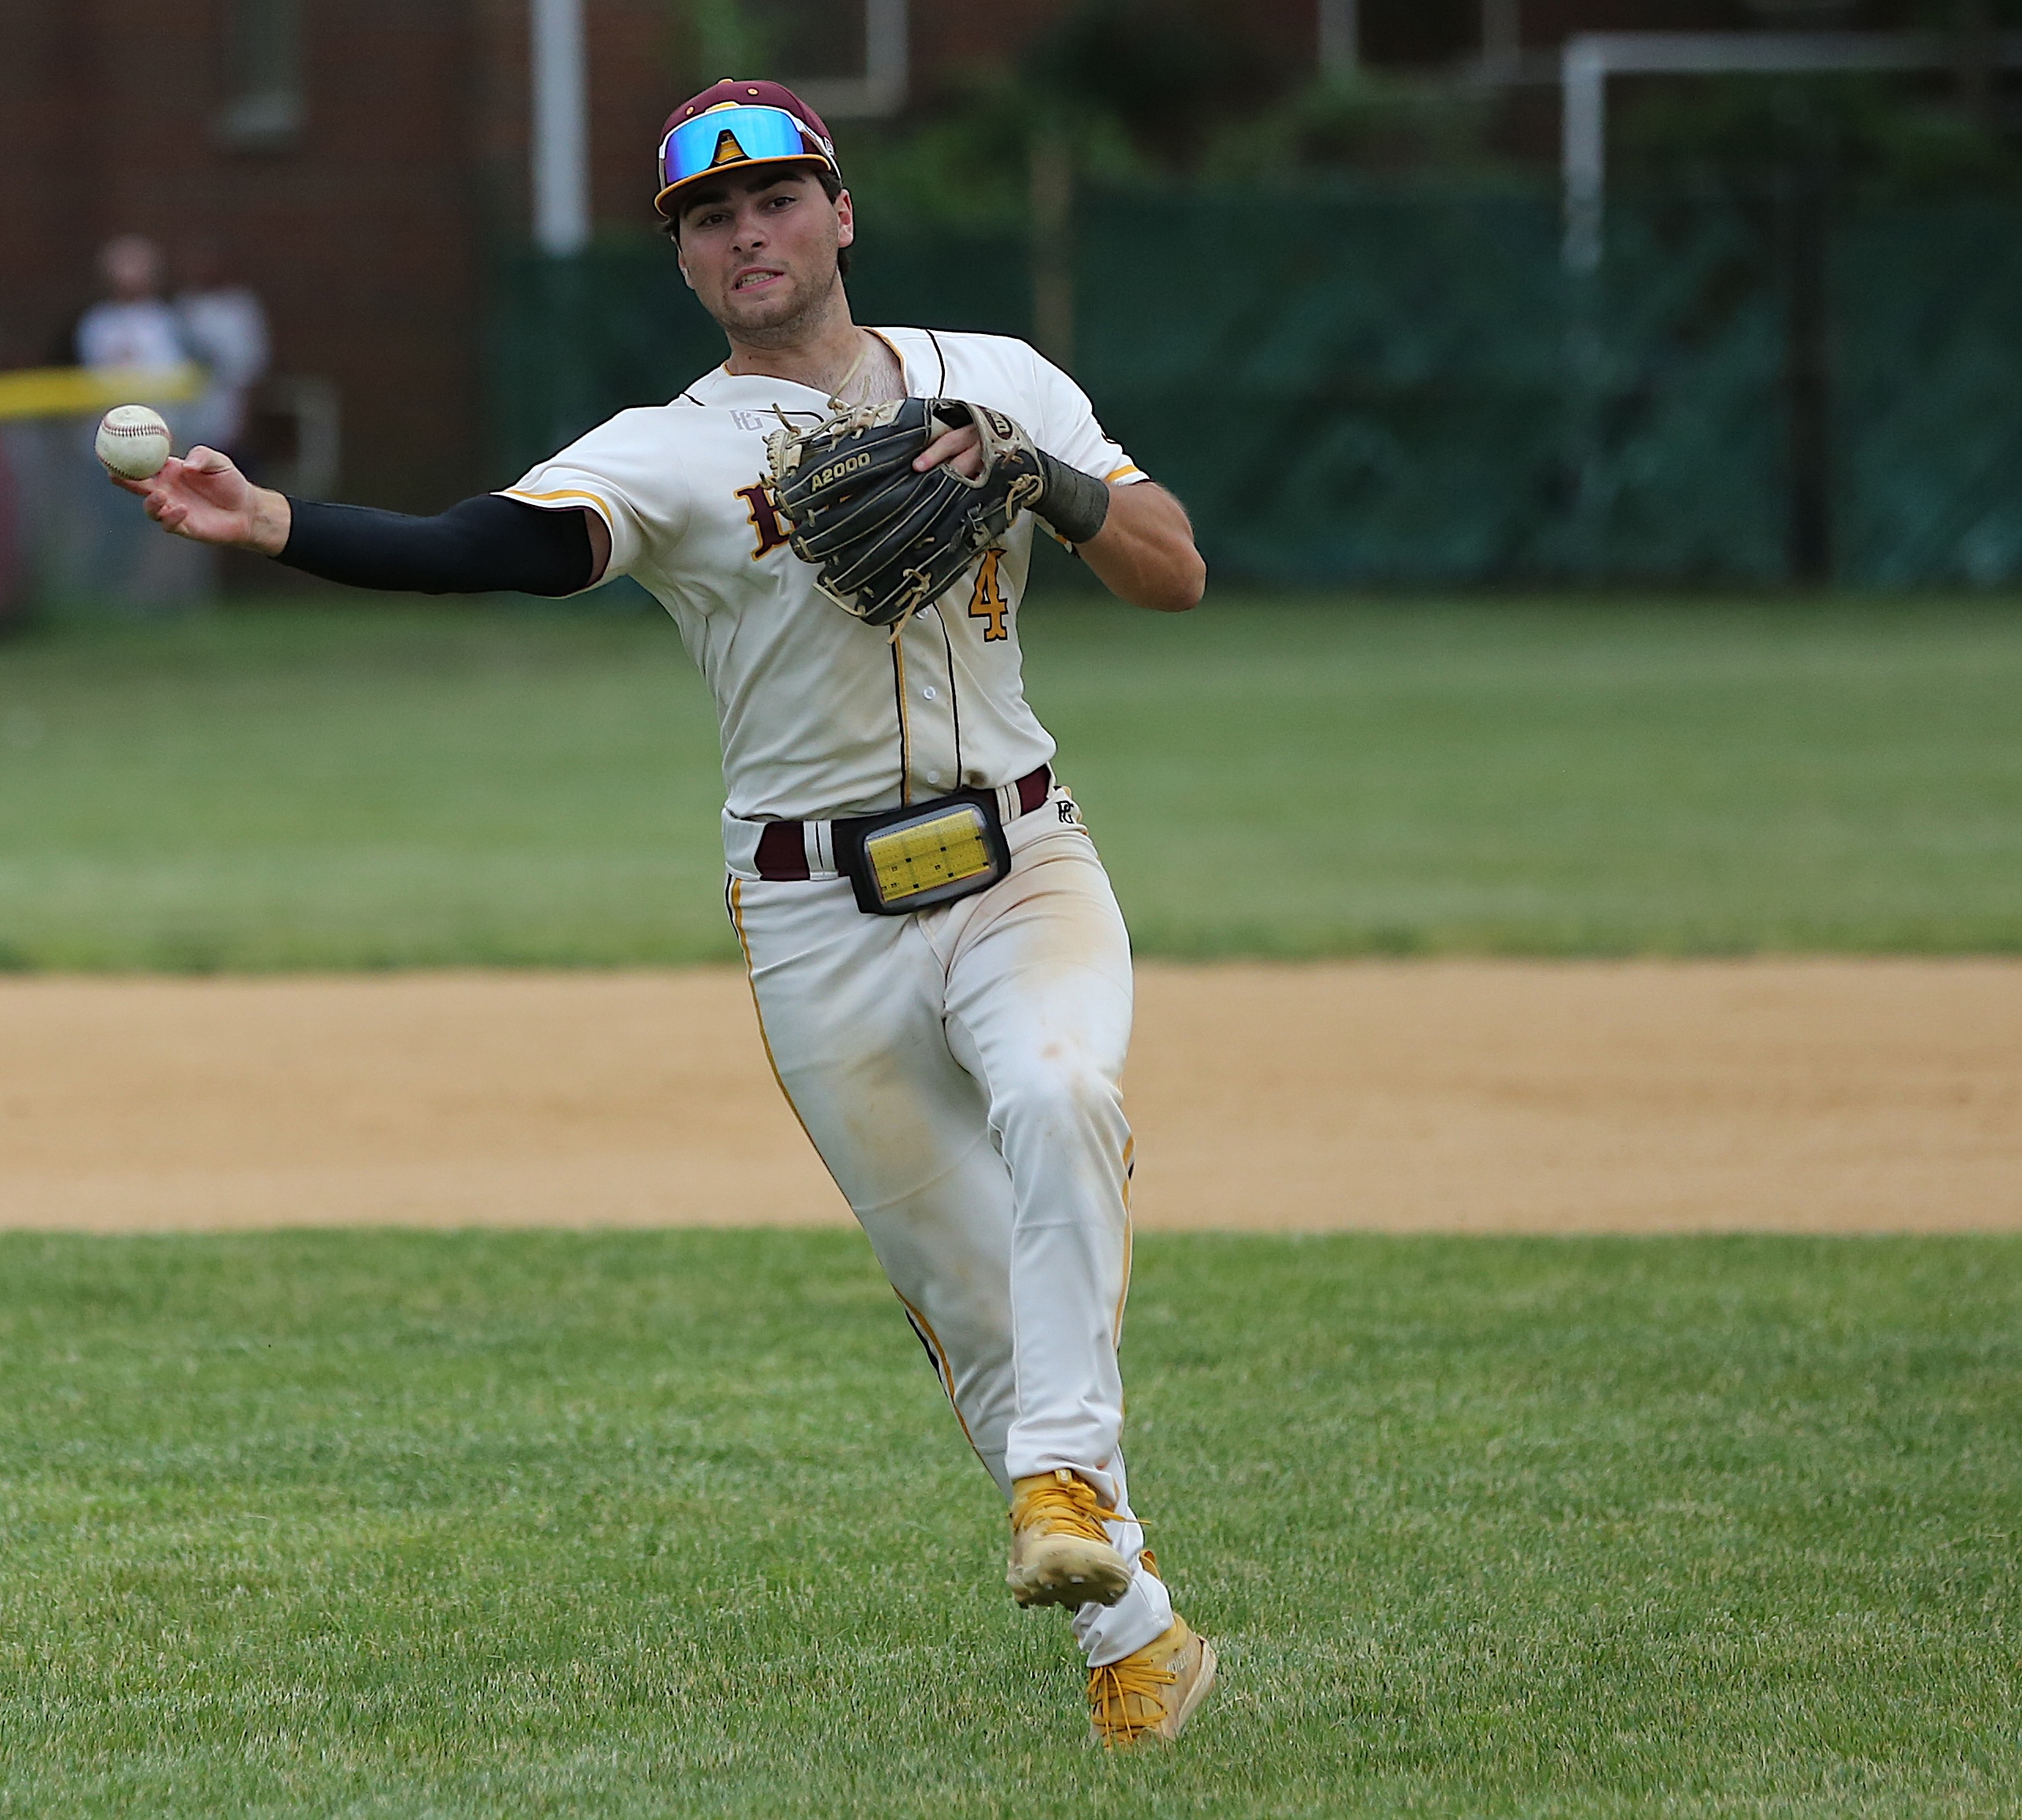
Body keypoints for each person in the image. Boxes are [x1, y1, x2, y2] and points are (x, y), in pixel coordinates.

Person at [115, 79, 1214, 1748]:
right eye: (709, 219)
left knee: (1062, 1090)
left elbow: (1171, 566)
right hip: (814, 925)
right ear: (685, 263)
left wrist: (1045, 479)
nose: (745, 232)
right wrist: (274, 522)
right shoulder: (668, 451)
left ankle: (1064, 1480)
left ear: (838, 213)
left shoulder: (998, 378)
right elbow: (495, 545)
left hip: (1018, 864)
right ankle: (1131, 1628)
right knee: (970, 1297)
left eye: (774, 198)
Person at [176, 240, 271, 468]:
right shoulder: (185, 305)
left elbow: (251, 369)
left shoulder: (240, 308)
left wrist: (247, 417)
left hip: (229, 405)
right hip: (191, 408)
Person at [76, 235, 189, 373]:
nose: (128, 272)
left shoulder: (172, 318)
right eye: (122, 264)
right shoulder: (96, 320)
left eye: (136, 263)